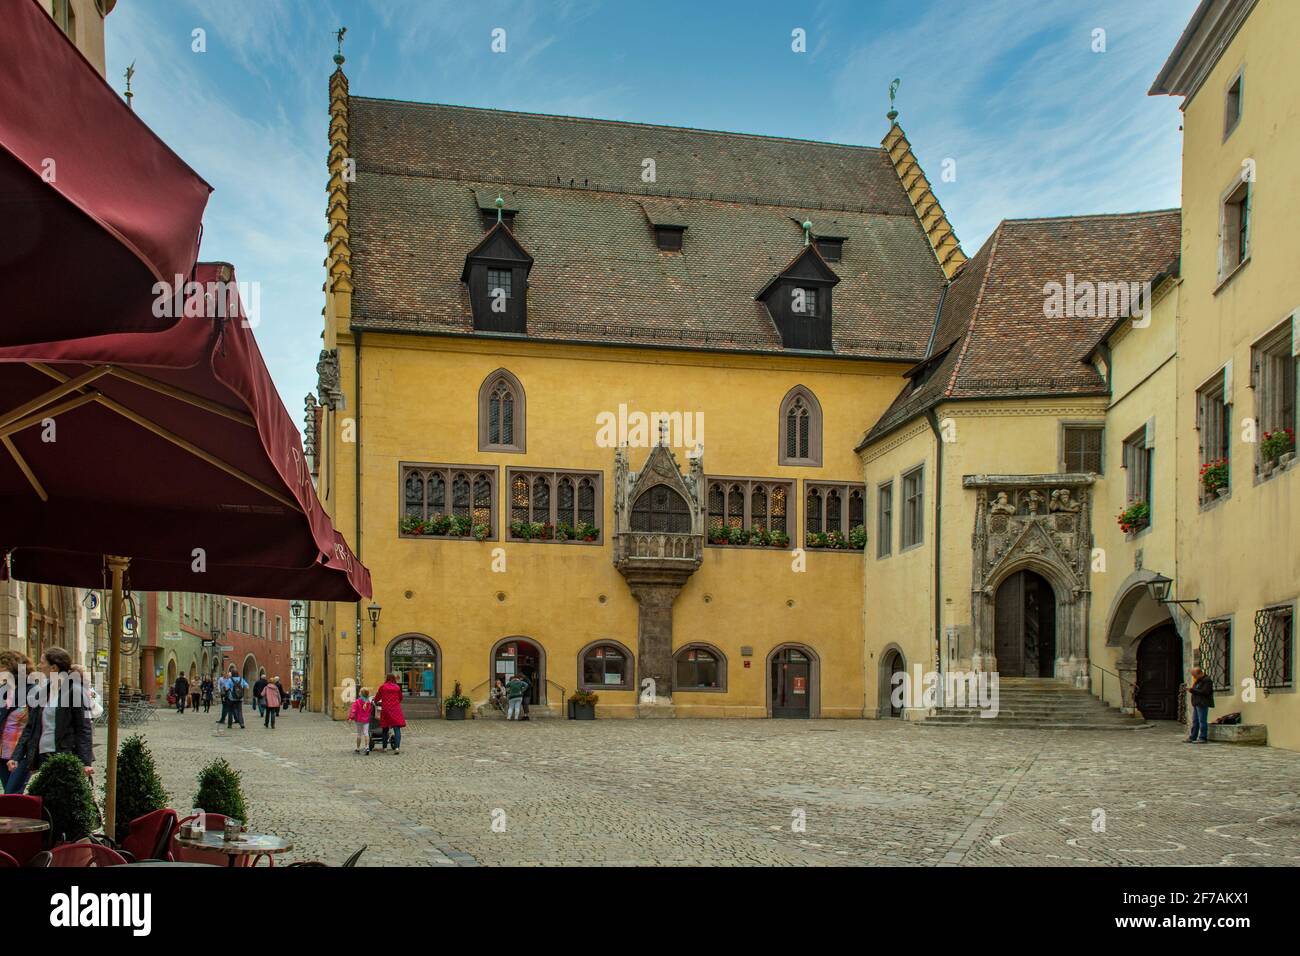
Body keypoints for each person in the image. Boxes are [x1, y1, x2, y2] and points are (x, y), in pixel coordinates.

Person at [8, 647, 94, 783]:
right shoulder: (43, 693)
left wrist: (86, 762)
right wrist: (16, 756)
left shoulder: (75, 691)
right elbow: (30, 727)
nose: (38, 666)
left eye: (42, 663)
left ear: (53, 668)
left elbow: (84, 728)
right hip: (43, 755)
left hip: (66, 755)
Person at [0, 651, 34, 794]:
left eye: (2, 668)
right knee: (10, 794)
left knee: (11, 793)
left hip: (21, 752)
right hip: (3, 751)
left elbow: (35, 725)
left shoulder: (31, 690)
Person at [373, 673, 406, 754]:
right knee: (396, 729)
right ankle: (397, 748)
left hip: (386, 709)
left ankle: (384, 748)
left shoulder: (383, 687)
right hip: (395, 709)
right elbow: (400, 698)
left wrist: (375, 701)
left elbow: (377, 697)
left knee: (385, 728)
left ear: (386, 678)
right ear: (394, 678)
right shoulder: (397, 687)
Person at [1186, 666, 1214, 744]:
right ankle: (1193, 737)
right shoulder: (1198, 681)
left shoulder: (1207, 681)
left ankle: (1202, 737)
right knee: (1195, 721)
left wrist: (1192, 690)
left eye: (1194, 675)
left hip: (1202, 703)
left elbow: (1205, 692)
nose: (1194, 677)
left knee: (1202, 721)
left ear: (1199, 673)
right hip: (1197, 703)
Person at [348, 688, 373, 754]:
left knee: (359, 734)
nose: (359, 692)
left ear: (361, 694)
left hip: (359, 720)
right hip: (366, 720)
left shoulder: (357, 701)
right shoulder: (368, 702)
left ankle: (358, 748)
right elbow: (370, 711)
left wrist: (351, 718)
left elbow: (353, 710)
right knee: (366, 733)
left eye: (360, 691)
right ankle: (367, 747)